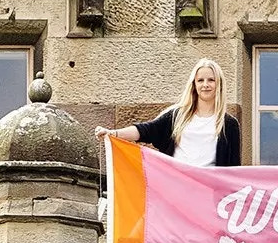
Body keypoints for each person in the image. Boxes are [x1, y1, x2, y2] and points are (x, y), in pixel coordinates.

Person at [95, 58, 241, 169]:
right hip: (175, 187)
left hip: (209, 192)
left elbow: (234, 171)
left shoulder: (229, 124)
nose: (205, 85)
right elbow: (146, 130)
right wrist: (113, 133)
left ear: (219, 84)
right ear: (194, 85)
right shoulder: (177, 116)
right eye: (200, 80)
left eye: (211, 80)